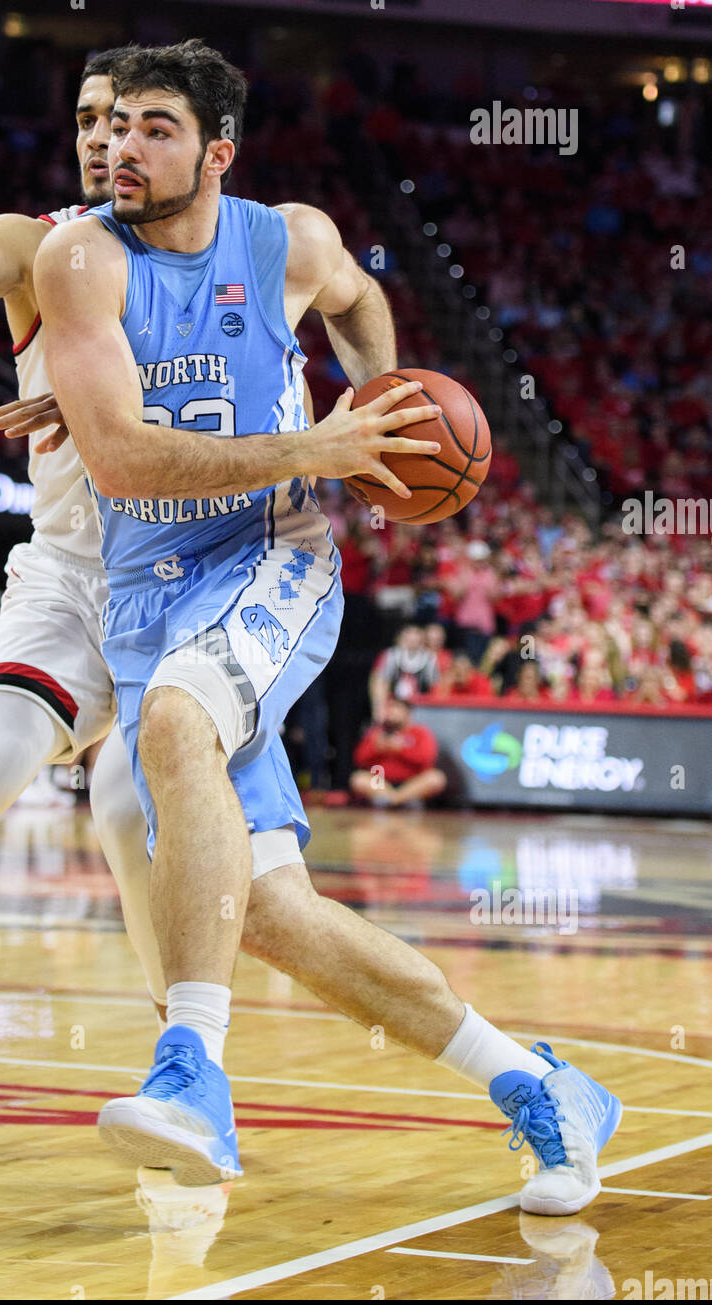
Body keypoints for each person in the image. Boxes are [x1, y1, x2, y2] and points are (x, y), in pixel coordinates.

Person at [35, 38, 621, 1211]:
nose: (121, 146)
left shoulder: (288, 238)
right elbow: (120, 458)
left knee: (181, 724)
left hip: (274, 555)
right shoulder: (74, 259)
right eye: (114, 126)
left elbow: (361, 305)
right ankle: (540, 1084)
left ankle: (192, 1072)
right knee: (269, 913)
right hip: (147, 590)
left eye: (155, 128)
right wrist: (325, 442)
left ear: (217, 151)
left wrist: (386, 425)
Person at [350, 697, 445, 807]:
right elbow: (359, 759)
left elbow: (427, 758)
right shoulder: (376, 733)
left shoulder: (420, 732)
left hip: (412, 783)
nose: (391, 712)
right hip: (382, 784)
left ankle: (393, 800)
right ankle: (401, 800)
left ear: (407, 713)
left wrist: (401, 749)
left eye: (396, 708)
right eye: (389, 708)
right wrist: (377, 749)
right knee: (358, 779)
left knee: (436, 778)